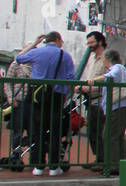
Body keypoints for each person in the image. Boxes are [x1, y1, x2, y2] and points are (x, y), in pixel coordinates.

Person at [16, 32, 76, 176]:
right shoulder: (66, 56)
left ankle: (38, 166)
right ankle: (54, 167)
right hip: (57, 97)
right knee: (55, 132)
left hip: (37, 96)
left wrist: (34, 43)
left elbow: (18, 58)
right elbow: (71, 78)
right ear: (57, 40)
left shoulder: (37, 52)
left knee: (37, 131)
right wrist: (67, 96)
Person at [97, 50, 126, 175]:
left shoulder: (117, 68)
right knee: (117, 135)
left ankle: (113, 165)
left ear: (107, 59)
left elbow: (111, 76)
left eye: (103, 58)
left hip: (119, 106)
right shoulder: (120, 68)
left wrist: (94, 79)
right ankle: (120, 164)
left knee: (110, 135)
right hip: (120, 106)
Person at [4, 37, 39, 169]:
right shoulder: (16, 64)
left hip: (33, 103)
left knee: (33, 131)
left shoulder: (37, 66)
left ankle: (35, 158)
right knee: (17, 132)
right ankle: (16, 156)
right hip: (19, 102)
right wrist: (10, 98)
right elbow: (8, 81)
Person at [77, 31, 108, 167]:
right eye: (88, 43)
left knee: (99, 132)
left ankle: (103, 160)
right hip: (92, 100)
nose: (90, 45)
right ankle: (98, 158)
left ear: (100, 42)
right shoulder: (94, 58)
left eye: (92, 42)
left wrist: (91, 88)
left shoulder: (107, 57)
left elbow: (108, 77)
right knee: (92, 132)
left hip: (101, 100)